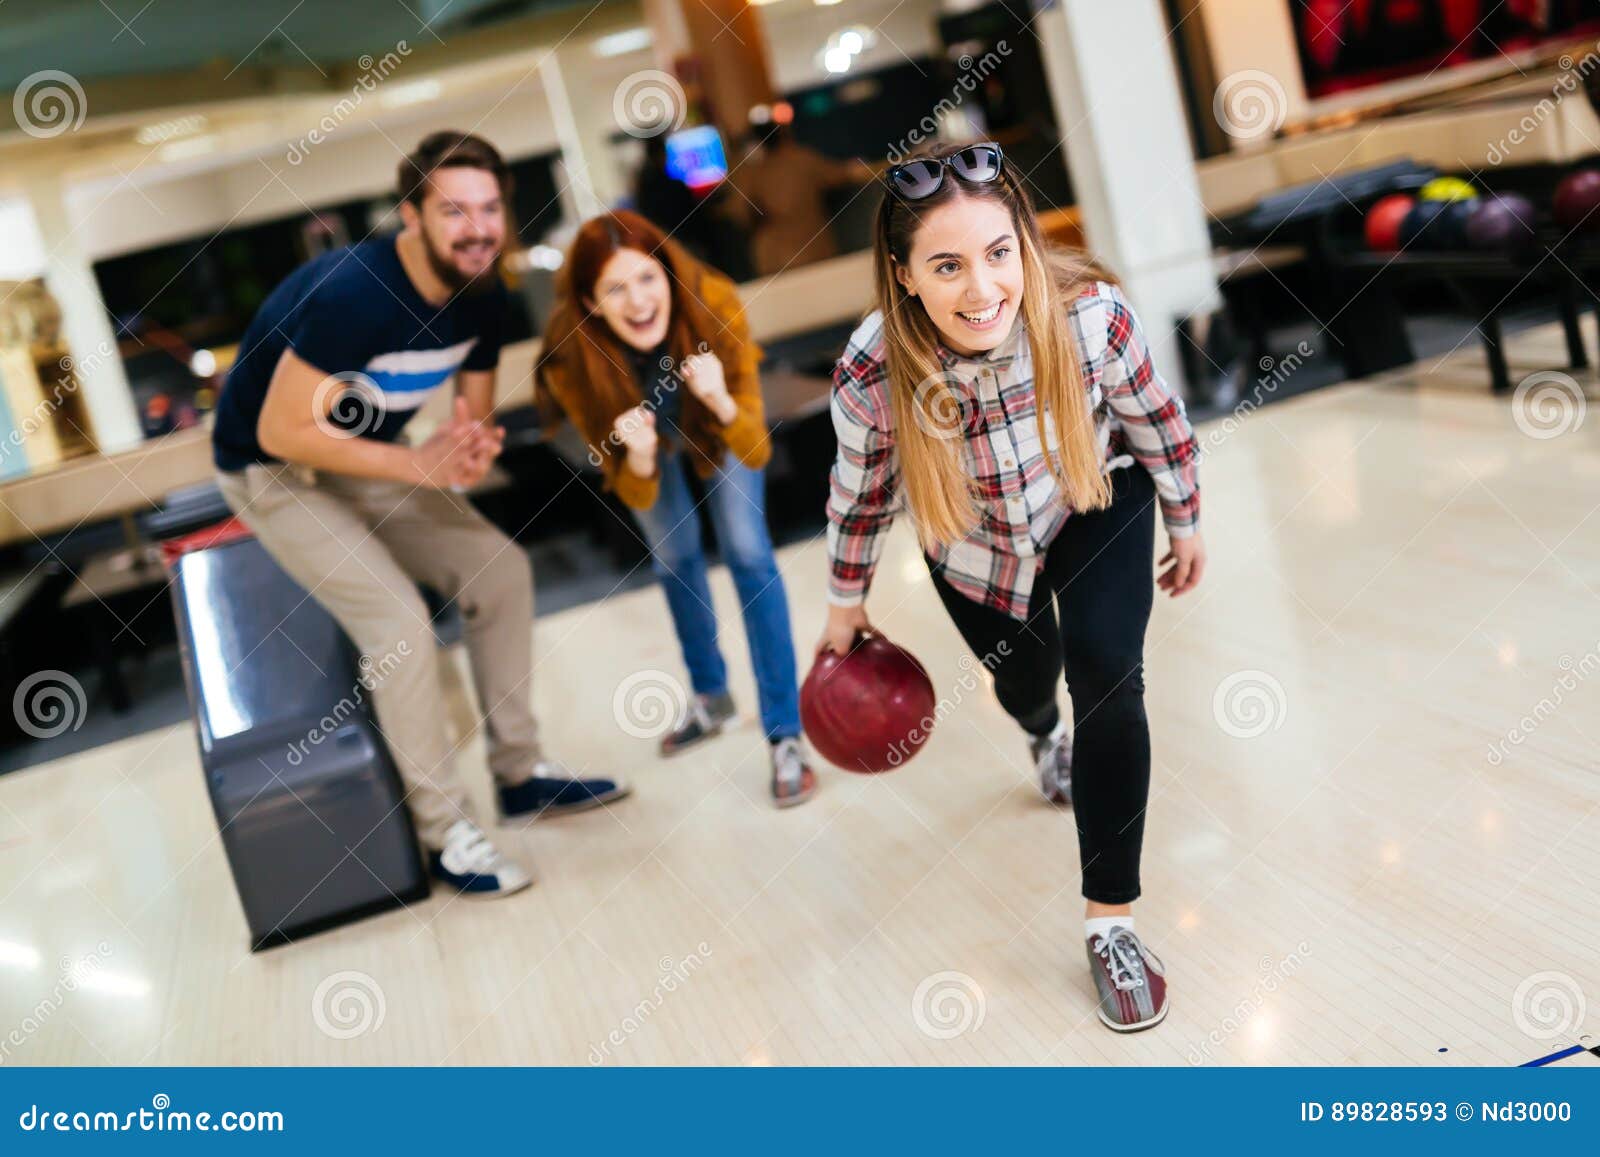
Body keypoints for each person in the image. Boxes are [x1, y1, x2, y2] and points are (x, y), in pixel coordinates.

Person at [817, 142, 1205, 1031]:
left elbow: (1157, 419)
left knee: (1109, 672)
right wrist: (847, 603)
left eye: (998, 252)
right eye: (946, 264)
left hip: (1090, 495)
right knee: (1027, 679)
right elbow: (860, 493)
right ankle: (1040, 732)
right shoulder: (872, 373)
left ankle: (1111, 922)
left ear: (1025, 243)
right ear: (904, 275)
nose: (982, 287)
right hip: (971, 545)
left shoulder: (1090, 319)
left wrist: (1184, 517)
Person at [212, 131, 629, 900]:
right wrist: (417, 463)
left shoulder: (488, 294)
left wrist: (465, 449)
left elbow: (468, 420)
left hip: (369, 455)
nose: (477, 227)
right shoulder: (351, 296)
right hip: (274, 471)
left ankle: (519, 772)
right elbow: (282, 431)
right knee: (399, 625)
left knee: (500, 570)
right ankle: (447, 835)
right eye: (454, 211)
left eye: (491, 208)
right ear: (411, 216)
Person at [534, 210, 817, 807]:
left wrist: (716, 398)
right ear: (589, 301)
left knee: (748, 553)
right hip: (638, 424)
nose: (637, 302)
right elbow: (630, 490)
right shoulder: (571, 360)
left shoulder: (713, 301)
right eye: (615, 288)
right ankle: (712, 699)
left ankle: (785, 735)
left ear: (668, 276)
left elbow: (756, 449)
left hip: (712, 414)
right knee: (674, 556)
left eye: (647, 279)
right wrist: (637, 459)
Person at [723, 120, 875, 276]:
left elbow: (738, 214)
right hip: (814, 252)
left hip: (774, 262)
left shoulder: (750, 174)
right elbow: (844, 174)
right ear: (782, 135)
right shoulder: (801, 160)